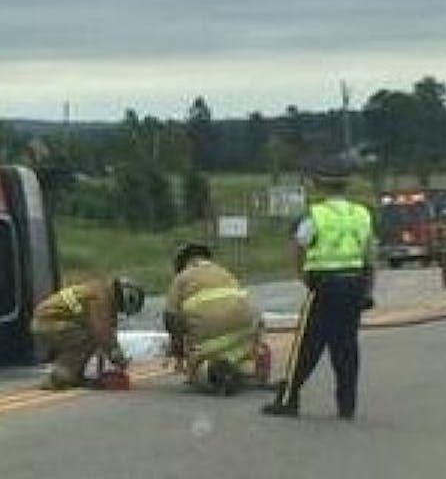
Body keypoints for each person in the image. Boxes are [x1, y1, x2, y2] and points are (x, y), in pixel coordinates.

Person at [262, 156, 375, 420]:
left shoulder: (315, 215)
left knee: (307, 345)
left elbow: (299, 247)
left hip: (324, 286)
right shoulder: (361, 214)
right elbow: (369, 255)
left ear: (318, 184)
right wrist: (367, 290)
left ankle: (289, 399)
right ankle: (347, 405)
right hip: (354, 285)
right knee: (346, 347)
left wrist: (304, 277)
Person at [164, 242, 265, 395]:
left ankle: (215, 374)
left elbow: (170, 317)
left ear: (181, 263)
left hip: (208, 337)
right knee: (240, 354)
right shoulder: (225, 272)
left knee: (197, 368)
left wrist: (177, 344)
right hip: (243, 330)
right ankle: (248, 369)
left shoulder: (182, 278)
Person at [32, 276, 144, 389]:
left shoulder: (103, 293)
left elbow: (105, 334)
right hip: (48, 322)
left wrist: (103, 366)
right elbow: (102, 333)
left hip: (51, 321)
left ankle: (74, 375)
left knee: (87, 337)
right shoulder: (101, 299)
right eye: (122, 309)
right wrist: (117, 357)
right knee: (86, 337)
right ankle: (58, 378)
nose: (120, 311)